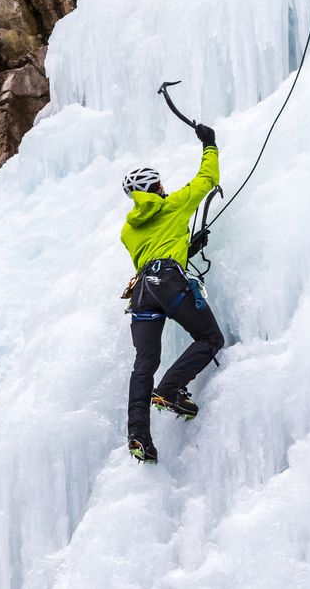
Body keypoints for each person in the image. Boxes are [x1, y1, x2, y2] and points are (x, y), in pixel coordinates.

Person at [119, 124, 225, 463]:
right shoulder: (173, 205)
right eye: (160, 184)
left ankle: (139, 435)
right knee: (209, 338)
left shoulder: (127, 230)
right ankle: (169, 389)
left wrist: (187, 249)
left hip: (141, 292)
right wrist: (209, 145)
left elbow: (153, 251)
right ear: (156, 187)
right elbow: (206, 180)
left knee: (144, 363)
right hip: (167, 280)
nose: (165, 187)